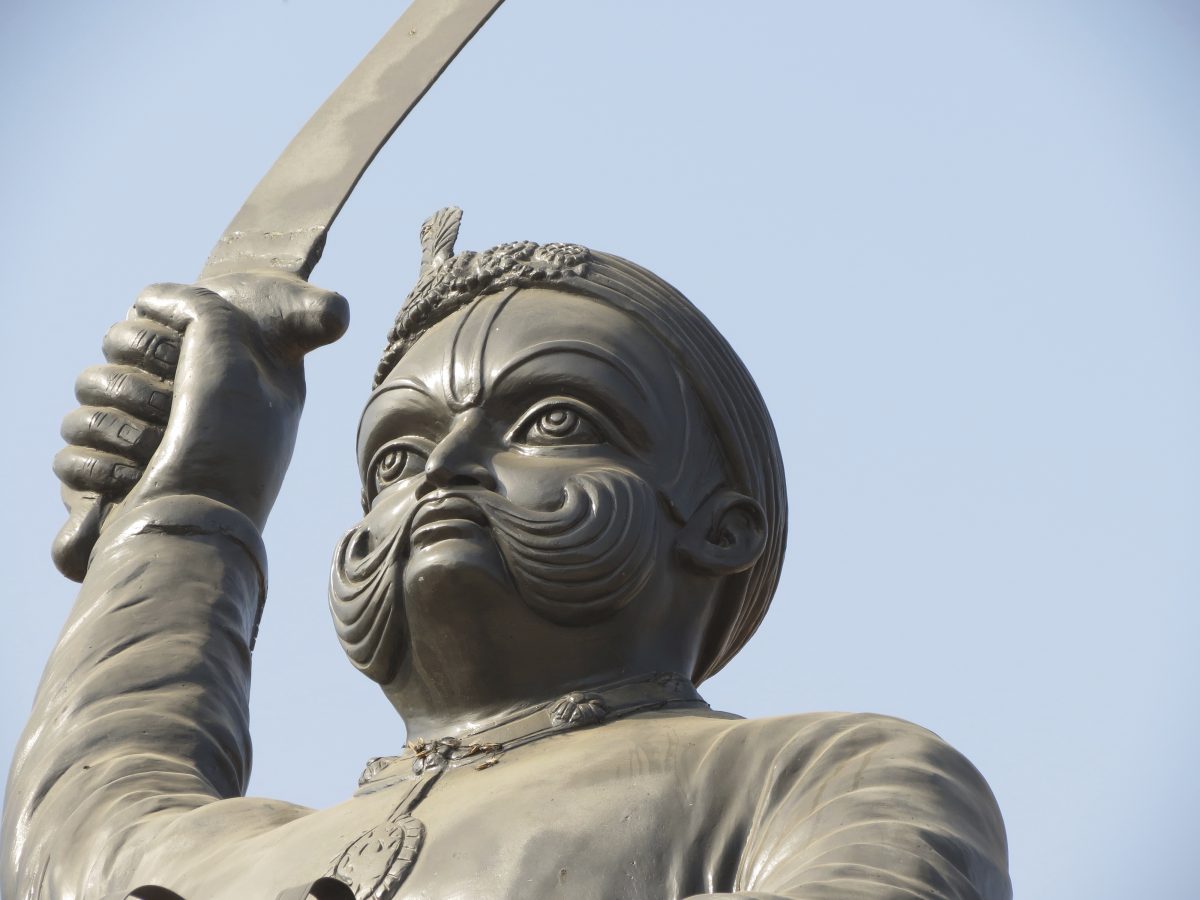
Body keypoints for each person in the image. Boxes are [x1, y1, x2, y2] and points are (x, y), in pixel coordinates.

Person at [2, 209, 1011, 900]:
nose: (442, 467)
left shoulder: (816, 777)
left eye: (556, 419)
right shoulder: (232, 855)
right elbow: (69, 839)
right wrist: (193, 498)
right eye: (393, 456)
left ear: (722, 524)